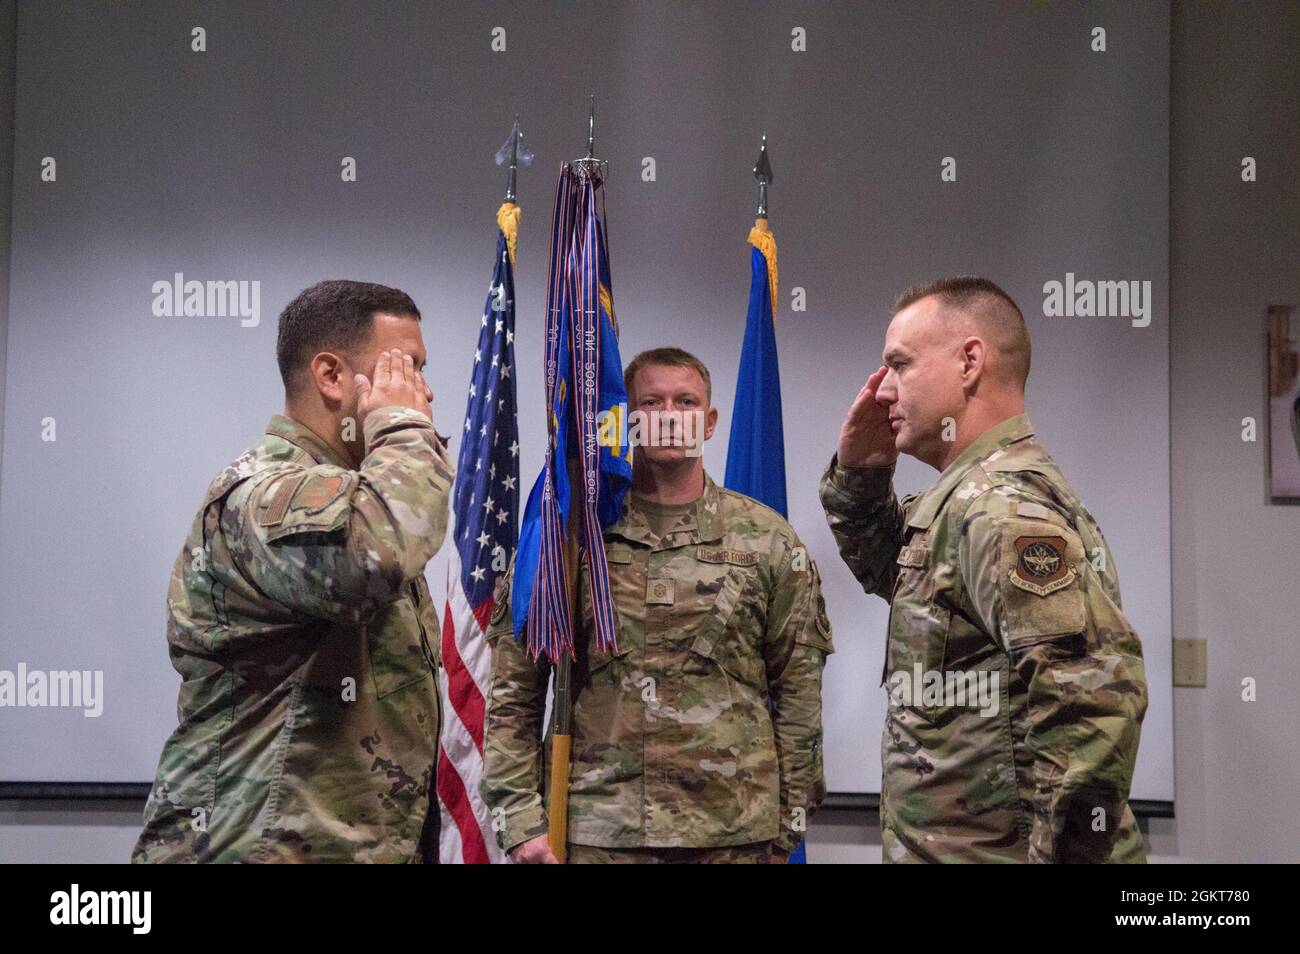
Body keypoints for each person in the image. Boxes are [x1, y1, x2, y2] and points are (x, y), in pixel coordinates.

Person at [820, 276, 1148, 863]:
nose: (883, 393)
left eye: (900, 365)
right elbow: (888, 571)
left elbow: (1090, 711)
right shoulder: (962, 498)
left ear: (970, 361)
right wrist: (862, 473)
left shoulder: (998, 508)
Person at [133, 280, 453, 863]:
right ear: (331, 376)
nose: (421, 392)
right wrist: (404, 430)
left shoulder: (356, 494)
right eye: (403, 369)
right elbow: (377, 556)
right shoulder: (264, 495)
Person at [482, 347, 832, 863]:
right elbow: (516, 690)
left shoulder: (768, 542)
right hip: (597, 832)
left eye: (686, 402)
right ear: (628, 419)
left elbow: (799, 695)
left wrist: (787, 829)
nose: (670, 417)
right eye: (651, 403)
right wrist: (519, 821)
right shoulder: (572, 537)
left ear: (709, 422)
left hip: (732, 836)